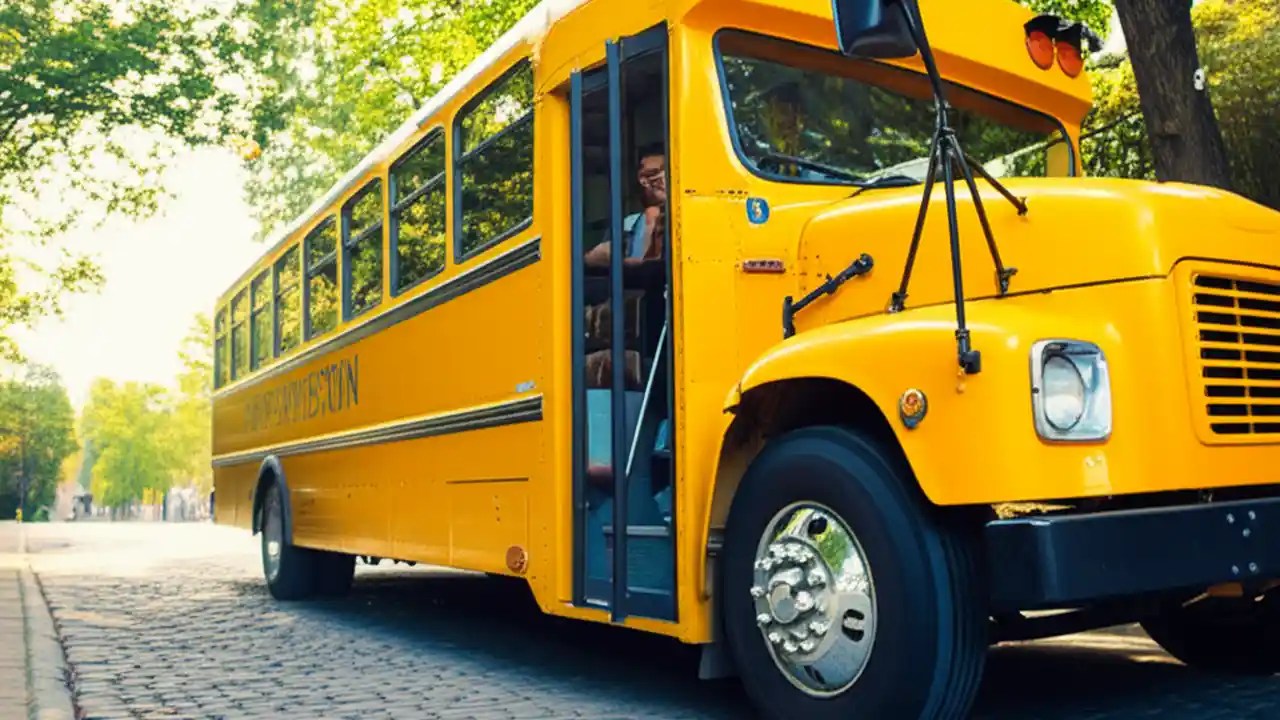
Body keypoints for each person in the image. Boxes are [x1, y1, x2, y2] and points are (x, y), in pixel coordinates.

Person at [585, 144, 667, 268]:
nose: (657, 181)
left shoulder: (683, 221)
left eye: (662, 172)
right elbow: (591, 259)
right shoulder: (627, 224)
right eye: (649, 174)